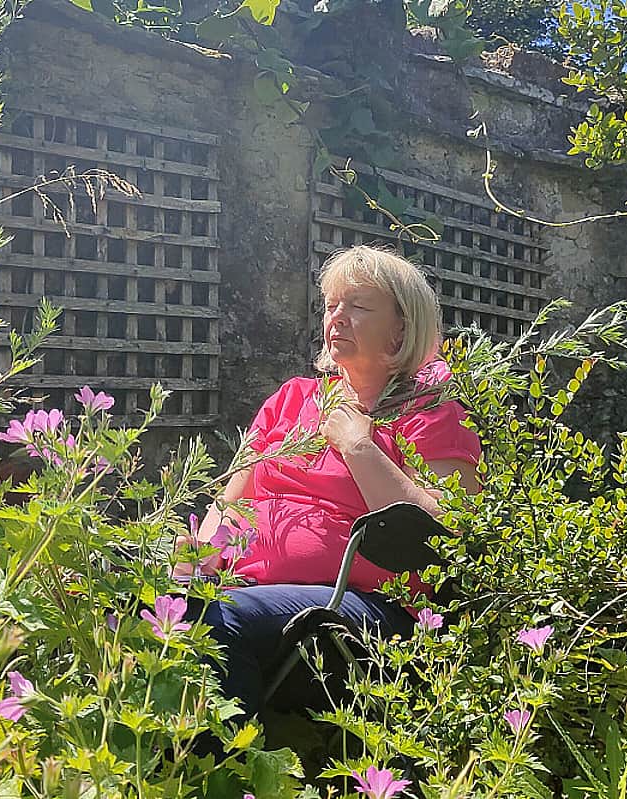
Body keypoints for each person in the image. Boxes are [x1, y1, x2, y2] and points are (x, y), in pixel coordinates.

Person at [182, 244, 481, 716]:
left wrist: (359, 446)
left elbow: (442, 533)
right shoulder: (291, 399)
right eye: (331, 305)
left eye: (358, 306)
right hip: (249, 589)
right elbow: (230, 503)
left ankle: (225, 760)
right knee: (140, 605)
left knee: (214, 623)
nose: (337, 317)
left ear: (402, 328)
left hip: (361, 609)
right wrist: (198, 556)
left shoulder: (432, 414)